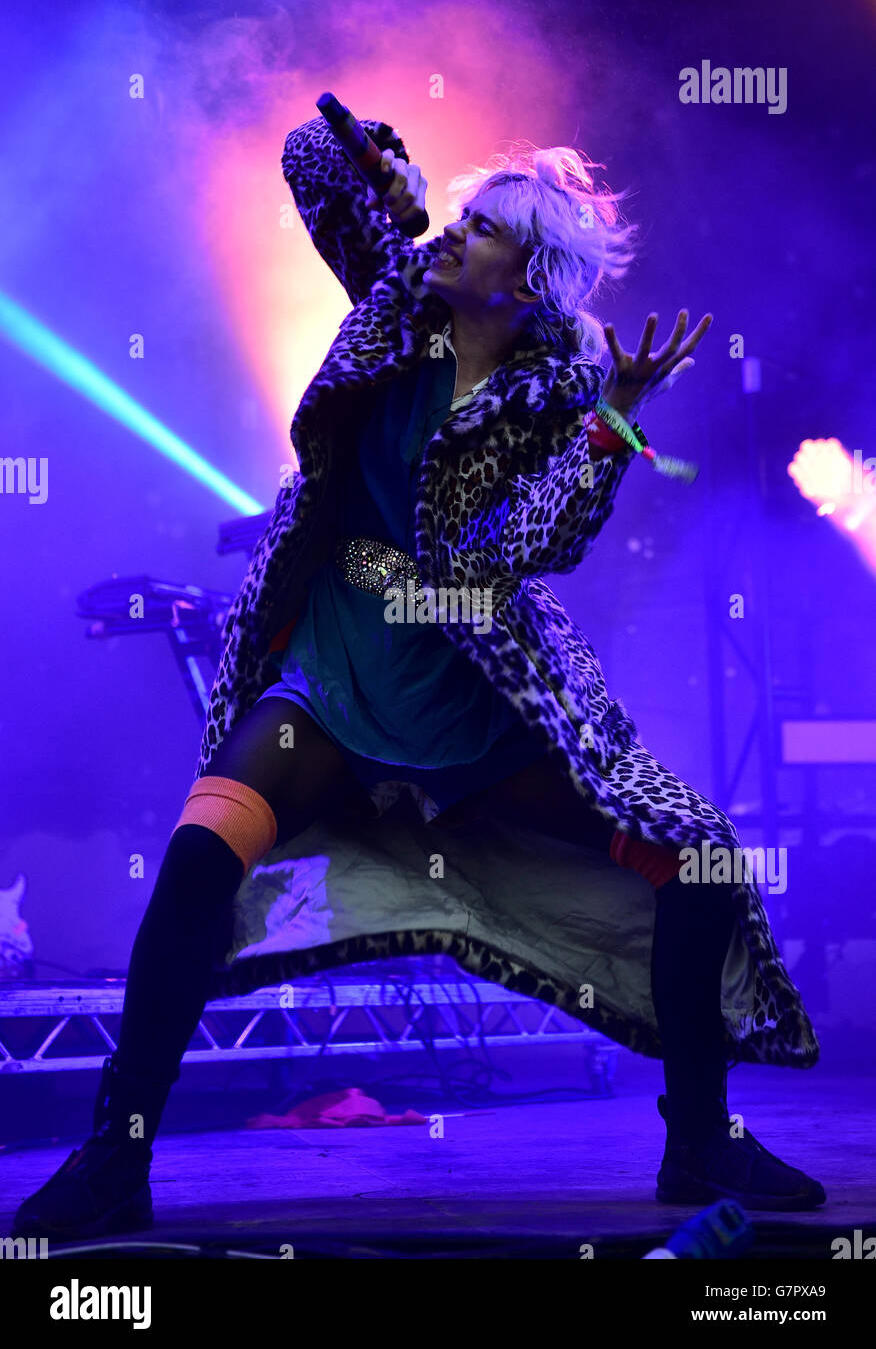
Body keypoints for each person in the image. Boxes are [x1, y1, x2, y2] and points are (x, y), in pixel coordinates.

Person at [13, 111, 824, 1238]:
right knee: (199, 857)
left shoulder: (561, 384)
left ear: (528, 280)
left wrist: (612, 427)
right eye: (454, 213)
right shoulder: (399, 298)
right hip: (329, 695)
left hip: (478, 714)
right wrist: (377, 173)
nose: (450, 232)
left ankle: (699, 1137)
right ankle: (115, 1156)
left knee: (694, 855)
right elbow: (307, 164)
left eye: (478, 227)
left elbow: (517, 550)